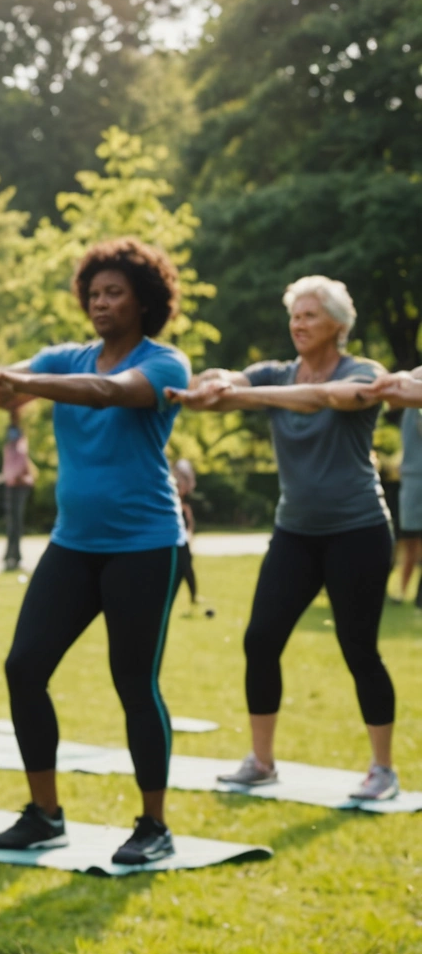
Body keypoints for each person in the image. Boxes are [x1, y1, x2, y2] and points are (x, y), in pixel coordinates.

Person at [0, 238, 190, 866]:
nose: (101, 303)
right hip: (73, 544)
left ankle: (154, 824)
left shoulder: (166, 364)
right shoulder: (63, 358)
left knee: (134, 682)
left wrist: (23, 382)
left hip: (144, 544)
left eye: (115, 293)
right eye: (94, 293)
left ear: (144, 301)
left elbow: (108, 391)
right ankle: (45, 814)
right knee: (23, 668)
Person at [178, 275, 399, 801]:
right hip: (295, 533)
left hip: (358, 531)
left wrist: (248, 394)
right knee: (260, 640)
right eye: (294, 315)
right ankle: (261, 761)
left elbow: (323, 398)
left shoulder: (364, 373)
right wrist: (216, 381)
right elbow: (227, 385)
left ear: (338, 325)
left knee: (358, 648)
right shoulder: (274, 373)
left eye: (309, 315)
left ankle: (383, 769)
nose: (298, 324)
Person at [170, 458, 209, 615]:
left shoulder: (186, 502)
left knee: (187, 569)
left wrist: (189, 536)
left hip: (182, 540)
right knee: (180, 570)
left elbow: (190, 523)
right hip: (174, 540)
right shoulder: (171, 497)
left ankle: (193, 597)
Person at [0, 415, 36, 571]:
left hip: (19, 487)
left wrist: (13, 476)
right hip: (11, 486)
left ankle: (15, 557)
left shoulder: (21, 445)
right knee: (12, 524)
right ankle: (10, 556)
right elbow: (8, 470)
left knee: (16, 524)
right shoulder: (8, 448)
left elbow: (19, 469)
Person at [399, 405, 422, 603]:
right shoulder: (415, 406)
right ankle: (402, 591)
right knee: (411, 539)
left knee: (411, 541)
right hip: (415, 478)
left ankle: (403, 591)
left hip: (412, 478)